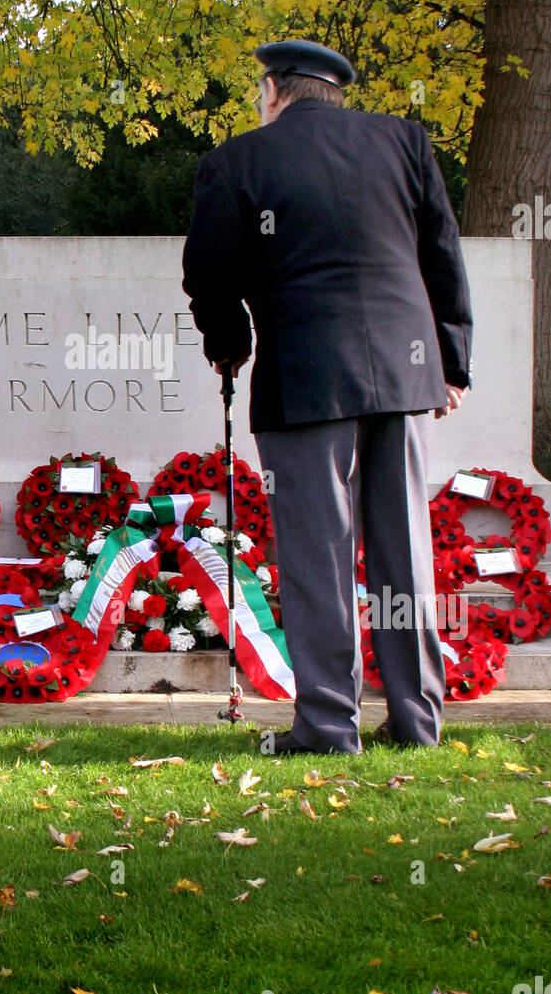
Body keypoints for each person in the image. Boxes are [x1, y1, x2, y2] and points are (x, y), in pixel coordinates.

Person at [182, 39, 473, 755]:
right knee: (404, 554)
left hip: (306, 375)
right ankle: (415, 722)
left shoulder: (238, 161)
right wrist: (451, 363)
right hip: (404, 378)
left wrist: (230, 343)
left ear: (275, 91)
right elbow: (441, 250)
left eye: (260, 93)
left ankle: (328, 726)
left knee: (321, 557)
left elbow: (210, 273)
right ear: (332, 92)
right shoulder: (404, 141)